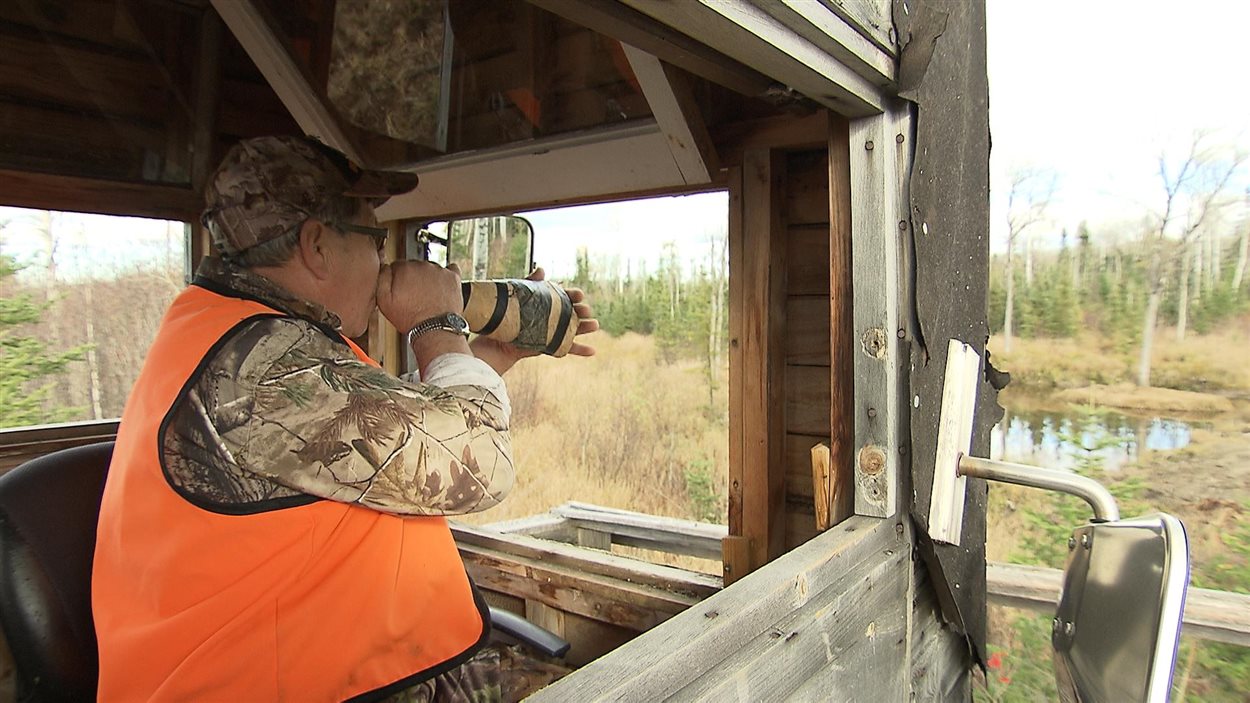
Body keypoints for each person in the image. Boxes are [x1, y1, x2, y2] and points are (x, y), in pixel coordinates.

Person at [91, 135, 596, 702]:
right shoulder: (264, 368)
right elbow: (480, 470)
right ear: (317, 246)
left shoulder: (238, 332)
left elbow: (368, 434)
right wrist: (436, 324)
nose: (383, 261)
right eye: (376, 238)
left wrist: (482, 359)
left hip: (358, 667)